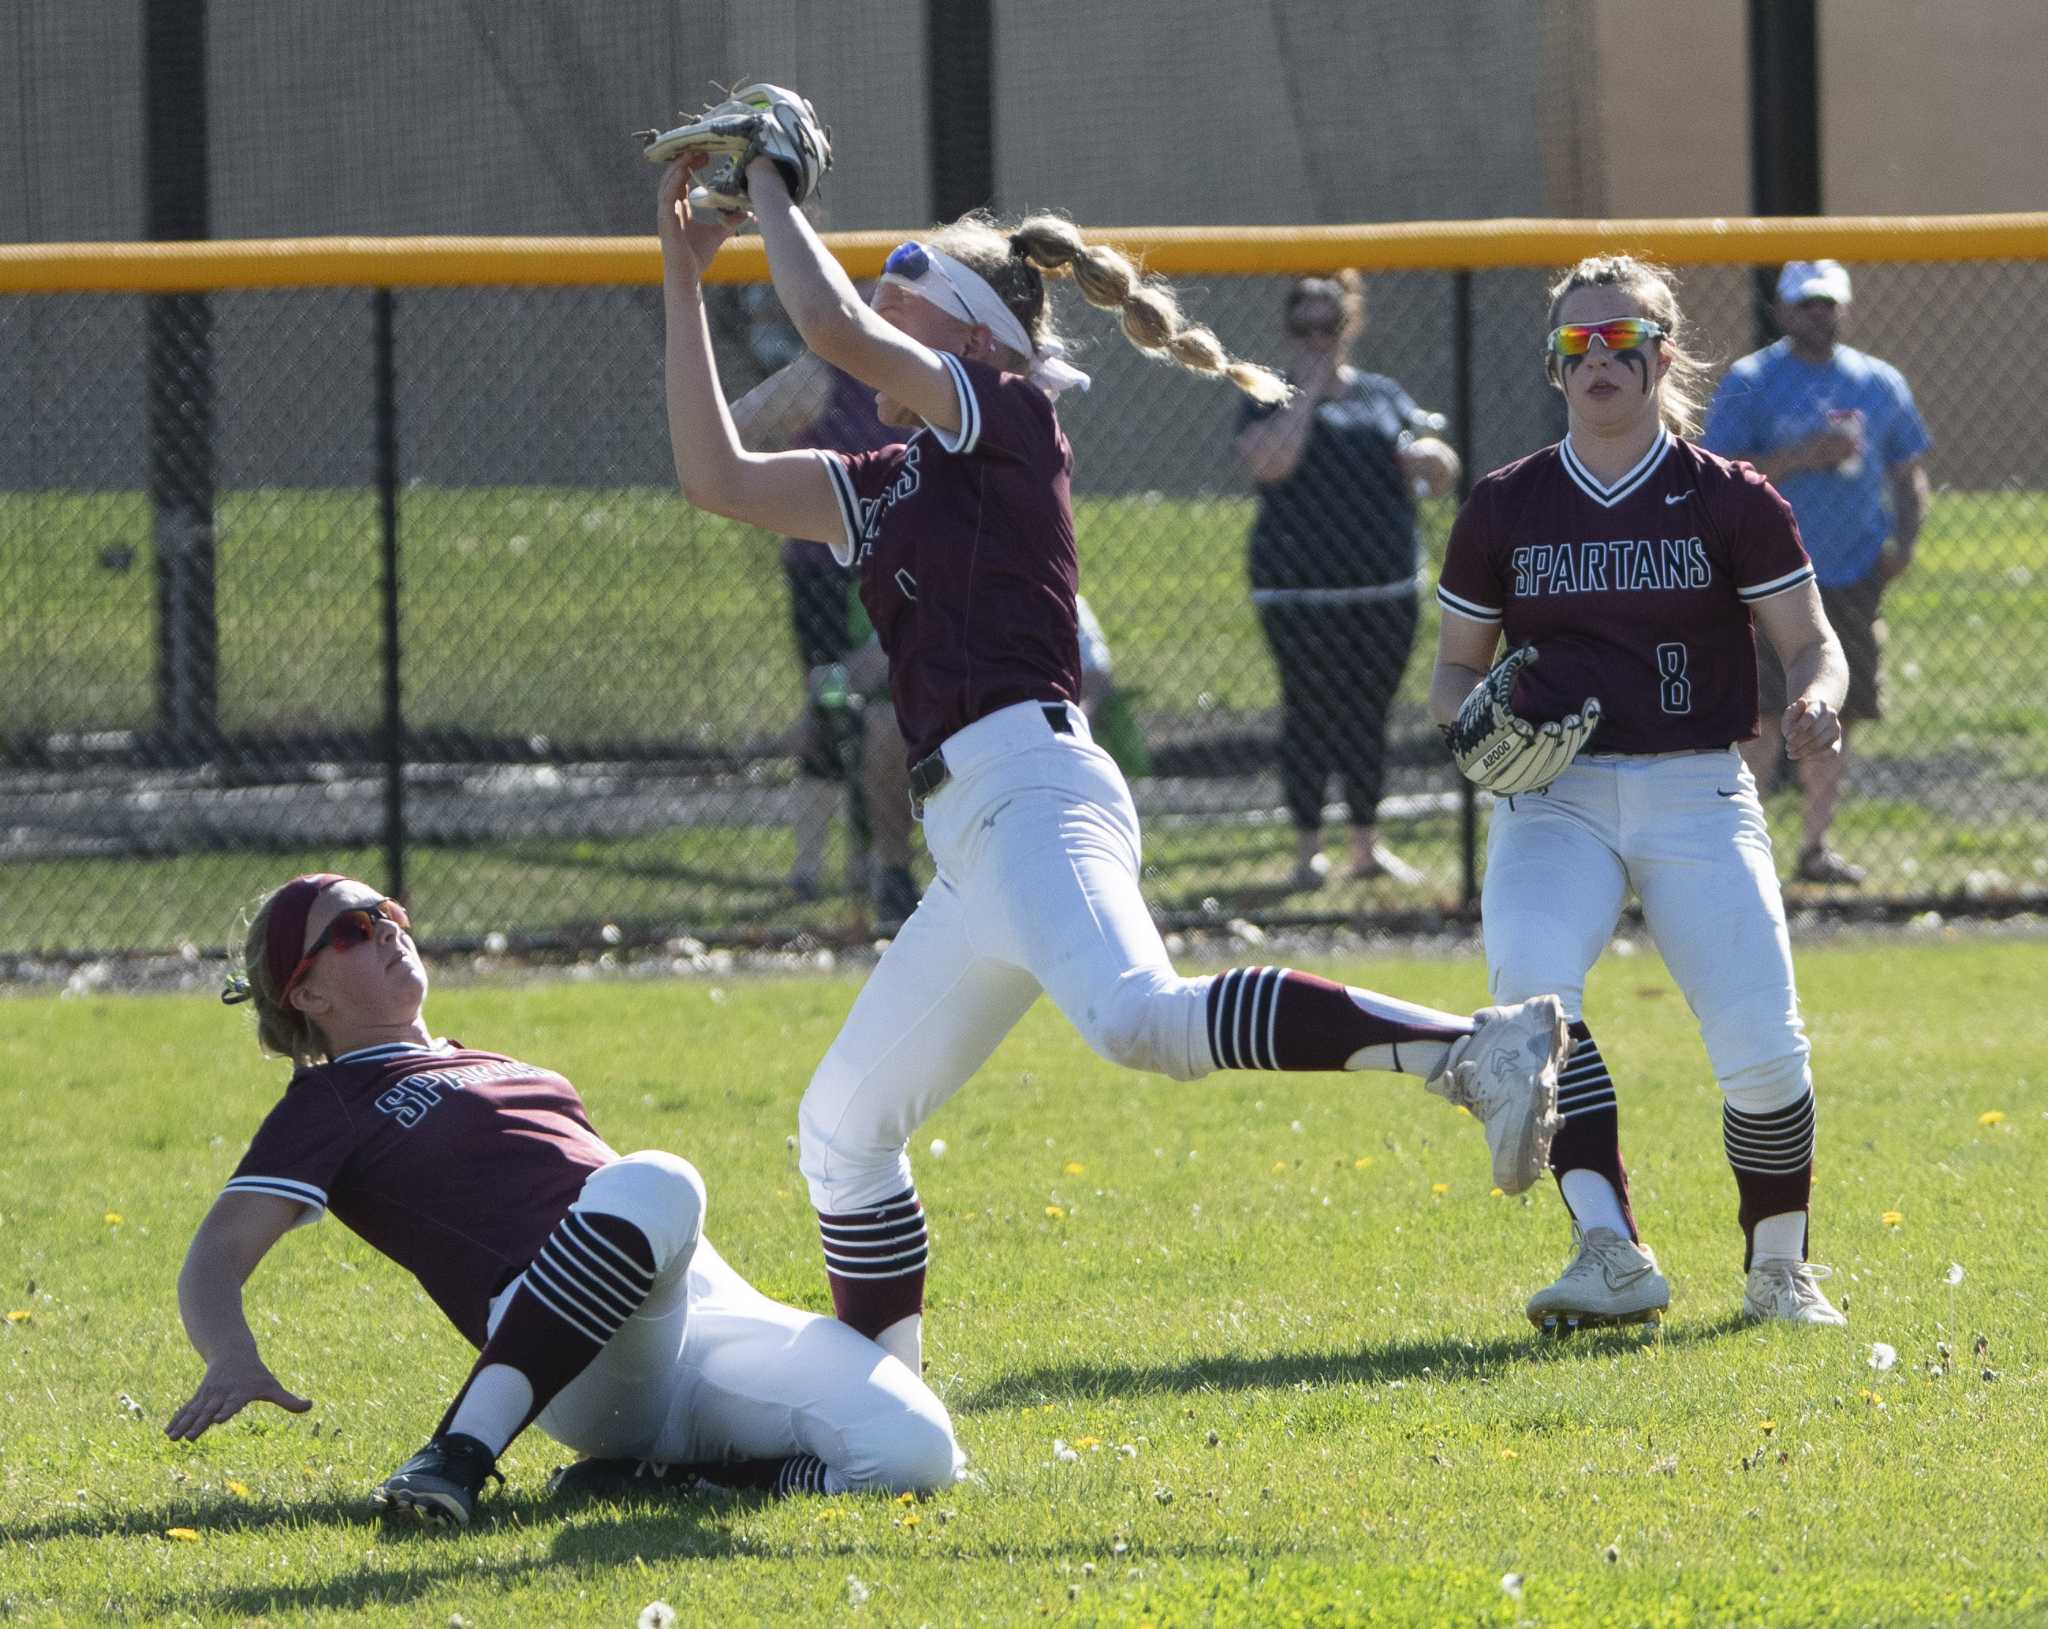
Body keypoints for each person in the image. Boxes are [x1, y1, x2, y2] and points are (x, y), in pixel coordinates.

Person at [655, 127, 1572, 1379]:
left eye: (904, 296)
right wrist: (678, 263)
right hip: (971, 835)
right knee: (842, 1126)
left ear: (971, 334)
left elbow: (830, 332)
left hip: (1030, 790)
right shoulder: (893, 471)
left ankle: (1475, 1049)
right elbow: (711, 477)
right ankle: (884, 1408)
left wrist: (767, 178)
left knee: (1138, 1021)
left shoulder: (1008, 413)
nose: (877, 309)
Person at [167, 872, 963, 1528]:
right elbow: (215, 1254)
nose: (383, 928)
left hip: (695, 1301)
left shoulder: (487, 1057)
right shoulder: (330, 1097)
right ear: (307, 996)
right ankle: (457, 1453)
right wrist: (231, 1353)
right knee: (661, 1178)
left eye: (387, 911)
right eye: (349, 929)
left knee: (917, 1452)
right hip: (579, 1361)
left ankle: (662, 1480)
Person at [1429, 255, 1853, 1333]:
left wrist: (1814, 701)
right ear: (1553, 365)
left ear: (1664, 355)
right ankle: (1608, 1253)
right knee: (1530, 1010)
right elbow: (1451, 669)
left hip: (1692, 786)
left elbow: (1809, 643)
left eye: (1623, 340)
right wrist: (1472, 724)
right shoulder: (1505, 503)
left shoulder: (1727, 496)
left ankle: (1776, 1269)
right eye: (1577, 344)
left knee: (1762, 1048)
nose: (1599, 360)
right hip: (1553, 799)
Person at [1703, 259, 1933, 886]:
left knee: (1837, 710)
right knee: (1763, 713)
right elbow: (1719, 474)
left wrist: (1904, 542)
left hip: (1850, 572)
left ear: (1846, 308)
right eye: (1806, 303)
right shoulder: (1753, 380)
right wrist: (1803, 455)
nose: (1818, 314)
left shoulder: (1878, 382)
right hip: (1764, 577)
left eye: (1828, 302)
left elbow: (1908, 469)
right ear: (1781, 311)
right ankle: (1746, 852)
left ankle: (1815, 846)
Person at [1234, 271, 1461, 891]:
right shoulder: (1266, 395)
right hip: (1297, 591)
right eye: (1303, 327)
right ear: (1286, 331)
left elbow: (1437, 469)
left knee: (1368, 716)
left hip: (1383, 588)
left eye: (1328, 325)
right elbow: (1271, 464)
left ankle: (1366, 847)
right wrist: (1306, 392)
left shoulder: (1383, 393)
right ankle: (1309, 851)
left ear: (1349, 326)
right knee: (1308, 714)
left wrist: (1434, 461)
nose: (1316, 338)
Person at [729, 300, 921, 920]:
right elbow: (736, 430)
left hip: (891, 570)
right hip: (824, 577)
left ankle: (874, 866)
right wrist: (791, 489)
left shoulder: (922, 375)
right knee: (831, 706)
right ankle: (812, 870)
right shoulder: (824, 374)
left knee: (885, 711)